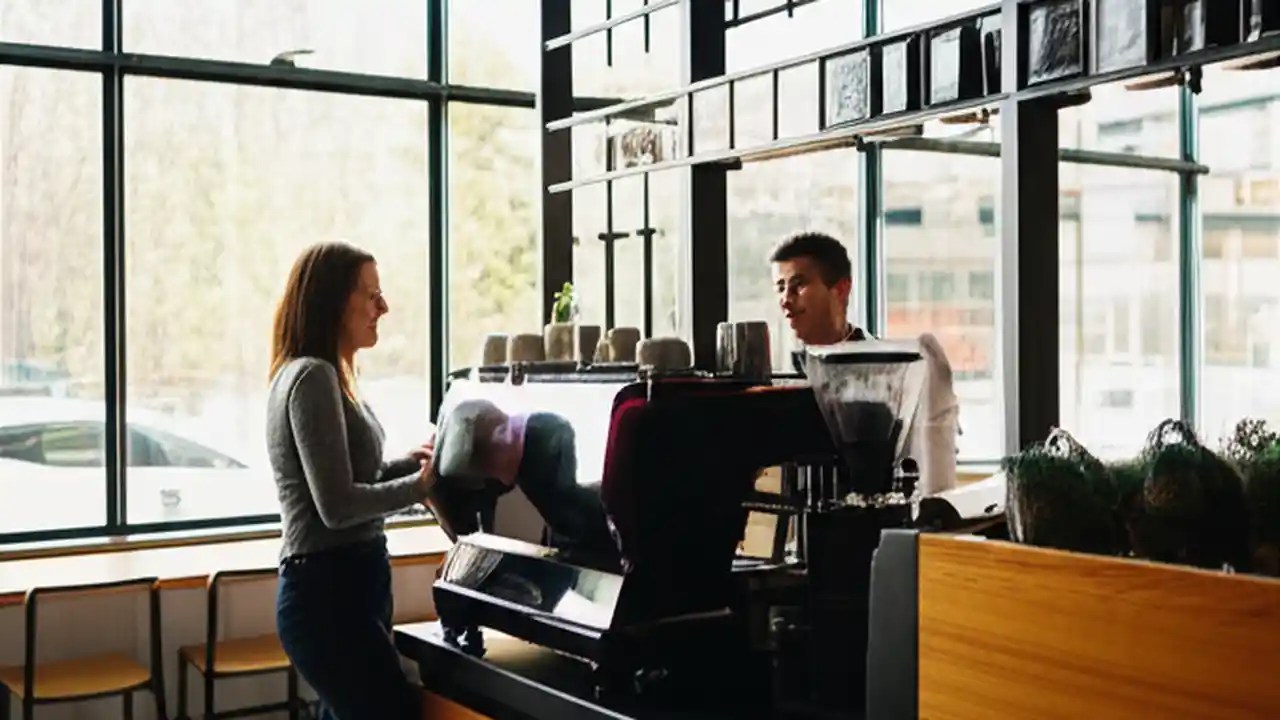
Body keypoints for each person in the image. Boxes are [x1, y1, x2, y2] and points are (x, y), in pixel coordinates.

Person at [266, 241, 434, 720]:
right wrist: (419, 489)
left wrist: (414, 466)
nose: (384, 307)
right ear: (336, 301)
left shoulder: (318, 374)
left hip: (343, 588)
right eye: (372, 294)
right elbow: (337, 507)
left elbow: (359, 478)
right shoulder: (312, 377)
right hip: (330, 594)